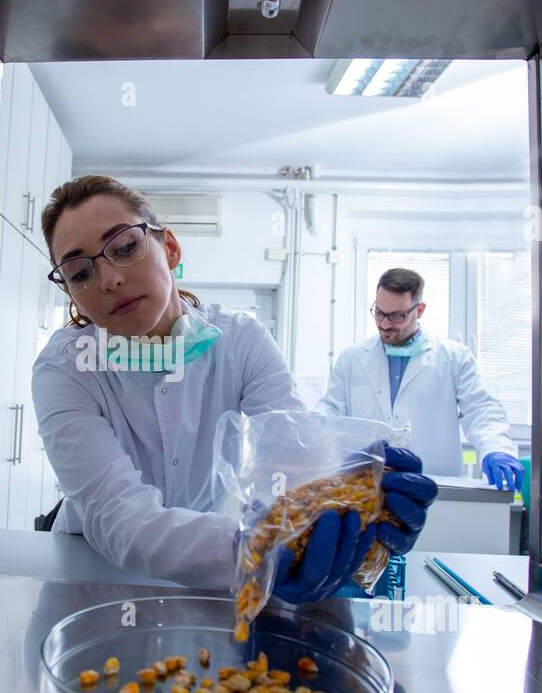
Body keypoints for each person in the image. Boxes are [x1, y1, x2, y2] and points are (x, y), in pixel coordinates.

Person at [30, 175, 437, 598]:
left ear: (169, 248)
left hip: (212, 575)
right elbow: (117, 513)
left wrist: (359, 503)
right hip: (91, 573)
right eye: (79, 273)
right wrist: (251, 551)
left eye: (126, 247)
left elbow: (294, 457)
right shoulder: (64, 369)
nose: (109, 279)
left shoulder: (241, 339)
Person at [318, 268, 523, 490]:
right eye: (379, 313)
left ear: (420, 310)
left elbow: (481, 410)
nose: (385, 324)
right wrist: (309, 430)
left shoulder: (454, 357)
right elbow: (331, 409)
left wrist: (497, 448)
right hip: (365, 487)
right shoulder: (352, 359)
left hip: (435, 487)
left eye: (397, 316)